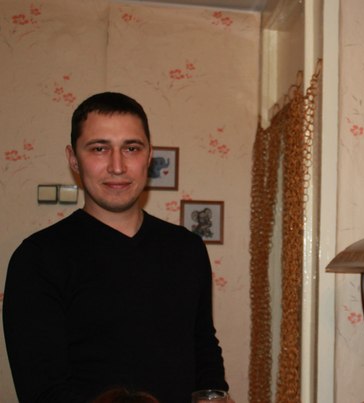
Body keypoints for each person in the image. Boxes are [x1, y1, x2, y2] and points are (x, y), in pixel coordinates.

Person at [3, 92, 229, 403]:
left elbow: (203, 348)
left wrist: (214, 395)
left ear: (149, 156)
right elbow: (42, 389)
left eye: (131, 148)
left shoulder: (187, 249)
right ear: (73, 158)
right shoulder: (38, 258)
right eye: (99, 148)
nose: (117, 166)